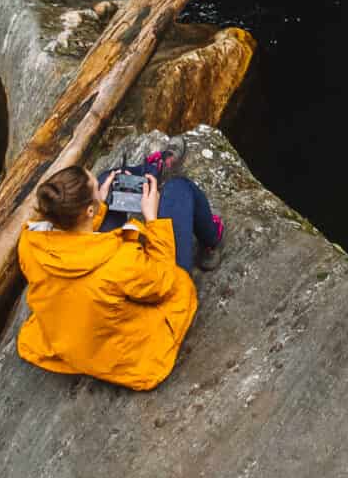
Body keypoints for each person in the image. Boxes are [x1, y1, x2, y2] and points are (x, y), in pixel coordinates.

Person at [16, 139, 225, 391]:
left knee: (110, 178)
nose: (97, 187)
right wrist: (151, 218)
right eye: (94, 190)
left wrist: (100, 203)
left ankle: (150, 173)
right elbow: (163, 282)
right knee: (180, 189)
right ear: (89, 212)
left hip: (73, 339)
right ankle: (211, 239)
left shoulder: (30, 242)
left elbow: (77, 242)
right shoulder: (120, 262)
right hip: (128, 354)